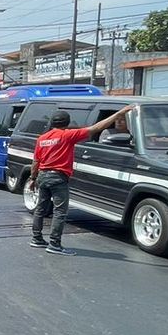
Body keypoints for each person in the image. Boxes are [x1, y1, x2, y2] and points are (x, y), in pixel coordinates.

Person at [29, 105, 134, 255]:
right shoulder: (67, 135)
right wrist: (120, 113)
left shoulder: (42, 138)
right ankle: (54, 244)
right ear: (67, 122)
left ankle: (37, 238)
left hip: (43, 175)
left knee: (40, 209)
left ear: (52, 122)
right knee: (60, 211)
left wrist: (33, 178)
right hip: (58, 177)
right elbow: (96, 128)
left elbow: (35, 161)